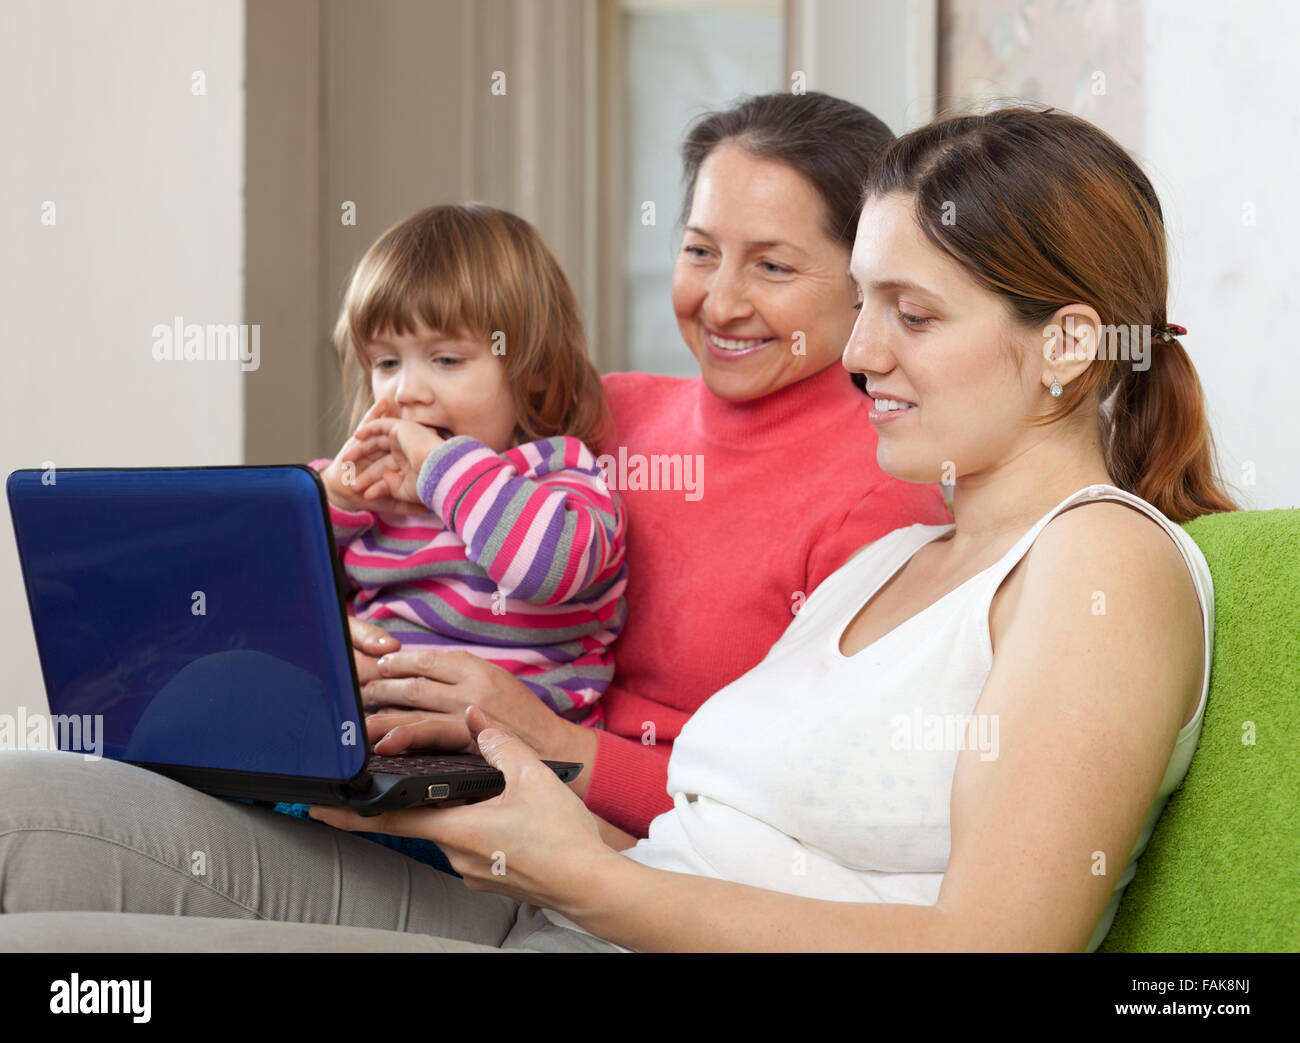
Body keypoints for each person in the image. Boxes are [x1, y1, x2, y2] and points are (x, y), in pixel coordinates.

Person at [0, 103, 1237, 951]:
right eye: (861, 304)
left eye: (909, 314)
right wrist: (468, 778)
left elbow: (998, 944)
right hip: (567, 904)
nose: (856, 355)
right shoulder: (900, 559)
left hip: (591, 917)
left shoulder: (1098, 565)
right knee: (25, 818)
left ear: (1070, 343)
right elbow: (697, 819)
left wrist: (582, 867)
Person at [349, 92, 953, 840]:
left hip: (624, 867)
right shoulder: (605, 412)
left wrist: (542, 737)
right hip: (435, 793)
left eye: (771, 265)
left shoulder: (884, 499)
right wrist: (358, 641)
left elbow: (811, 822)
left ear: (866, 281)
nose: (721, 301)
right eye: (700, 251)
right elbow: (422, 541)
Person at [269, 203, 628, 872]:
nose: (406, 391)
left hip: (499, 780)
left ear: (537, 370)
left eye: (445, 358)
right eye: (385, 362)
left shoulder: (558, 476)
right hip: (375, 753)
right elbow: (264, 592)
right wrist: (337, 499)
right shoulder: (369, 495)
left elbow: (546, 567)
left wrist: (439, 467)